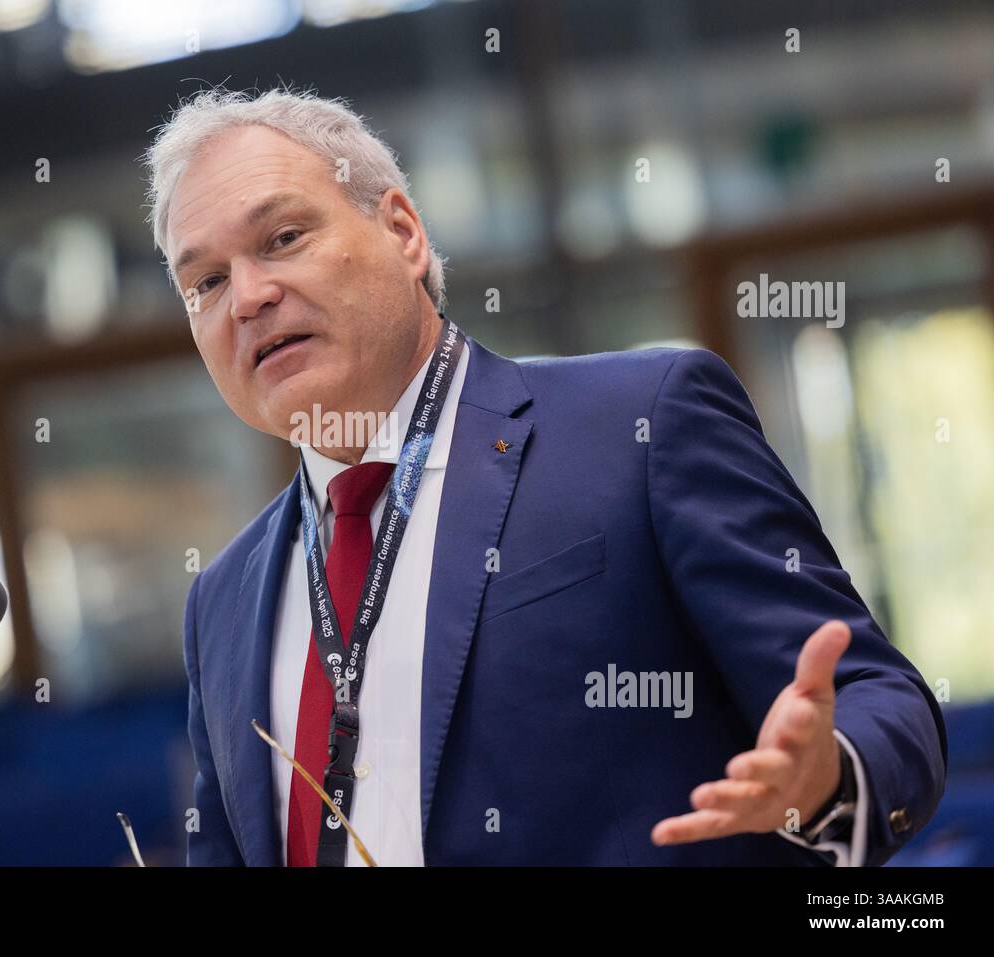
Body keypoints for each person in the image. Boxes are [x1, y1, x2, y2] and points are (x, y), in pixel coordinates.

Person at [142, 86, 946, 866]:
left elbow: (875, 696)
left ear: (402, 230)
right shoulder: (222, 599)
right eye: (206, 282)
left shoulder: (641, 425)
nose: (247, 296)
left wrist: (827, 777)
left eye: (282, 237)